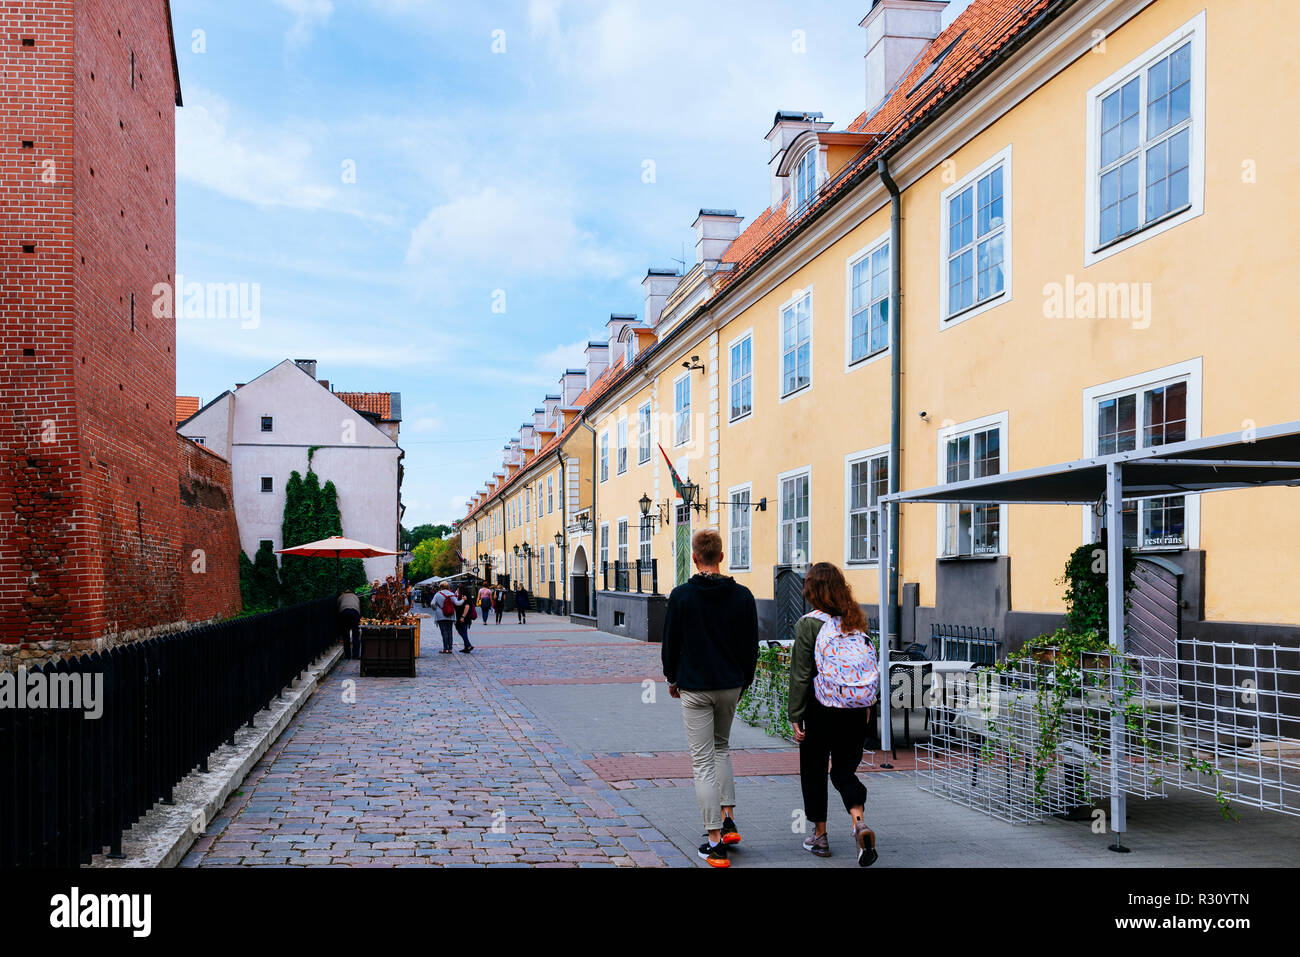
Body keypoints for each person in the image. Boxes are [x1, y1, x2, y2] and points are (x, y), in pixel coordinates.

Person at [661, 527, 758, 869]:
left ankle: (715, 843)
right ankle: (728, 820)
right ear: (721, 556)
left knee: (702, 762)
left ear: (694, 557)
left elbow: (670, 642)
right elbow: (750, 645)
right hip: (730, 684)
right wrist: (744, 681)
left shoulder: (682, 596)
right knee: (722, 749)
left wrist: (672, 677)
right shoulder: (743, 596)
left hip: (695, 686)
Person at [787, 562, 879, 867]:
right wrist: (868, 706)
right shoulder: (855, 621)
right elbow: (865, 668)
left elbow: (801, 675)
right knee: (843, 771)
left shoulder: (808, 624)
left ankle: (820, 837)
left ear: (811, 591)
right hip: (855, 709)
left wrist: (795, 714)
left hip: (820, 709)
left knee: (814, 770)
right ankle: (858, 823)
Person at [432, 581, 464, 654]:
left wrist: (436, 609)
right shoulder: (452, 594)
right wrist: (463, 600)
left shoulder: (437, 594)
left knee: (444, 632)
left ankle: (445, 648)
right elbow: (457, 603)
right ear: (448, 587)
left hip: (440, 615)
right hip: (450, 615)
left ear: (440, 587)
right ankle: (450, 648)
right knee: (449, 631)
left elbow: (432, 603)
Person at [337, 589, 361, 660]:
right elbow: (358, 606)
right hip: (355, 612)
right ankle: (356, 655)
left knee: (346, 635)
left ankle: (347, 655)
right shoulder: (355, 596)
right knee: (356, 634)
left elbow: (338, 606)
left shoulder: (341, 597)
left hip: (344, 612)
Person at [455, 584, 476, 653]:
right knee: (463, 631)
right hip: (464, 616)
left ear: (461, 590)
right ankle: (466, 646)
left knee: (461, 630)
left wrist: (463, 617)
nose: (457, 590)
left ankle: (468, 645)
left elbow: (467, 607)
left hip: (464, 616)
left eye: (458, 589)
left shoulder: (464, 596)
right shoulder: (465, 595)